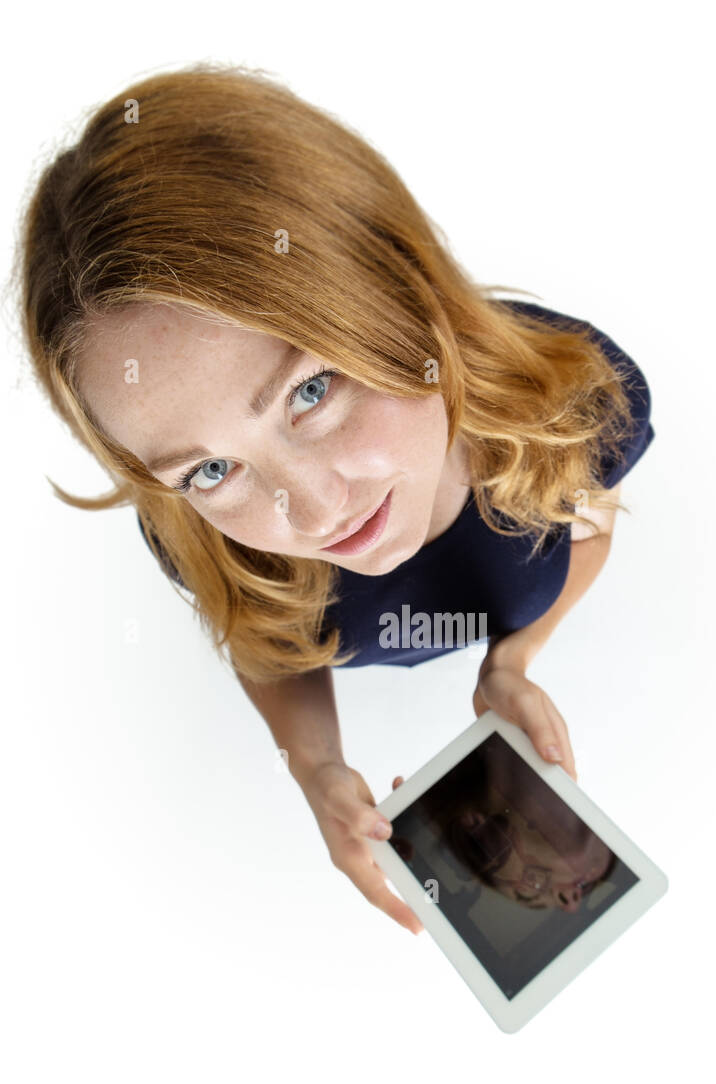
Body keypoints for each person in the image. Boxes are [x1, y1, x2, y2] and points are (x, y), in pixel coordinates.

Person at [16, 63, 655, 937]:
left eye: (311, 391)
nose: (314, 517)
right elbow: (268, 641)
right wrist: (314, 764)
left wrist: (510, 662)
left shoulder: (573, 399)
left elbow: (587, 525)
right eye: (208, 471)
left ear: (405, 279)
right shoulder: (193, 533)